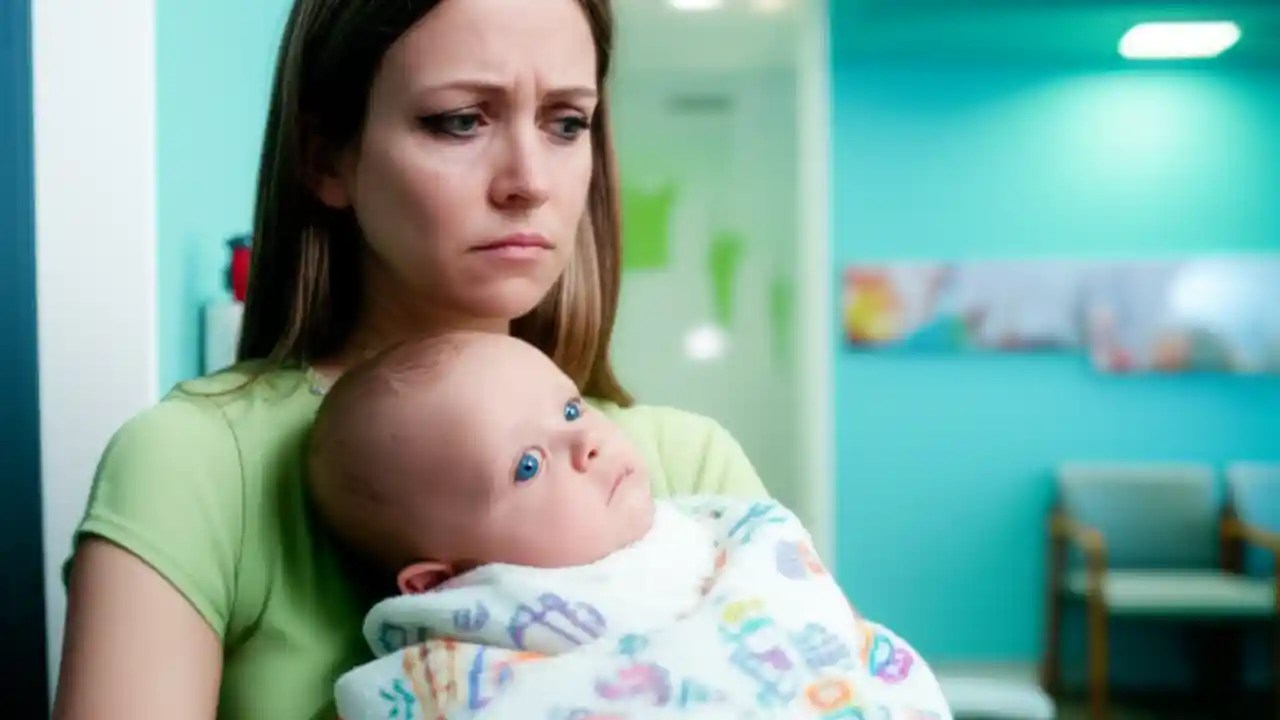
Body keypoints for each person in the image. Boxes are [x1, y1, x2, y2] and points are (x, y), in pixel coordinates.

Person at [51, 1, 768, 719]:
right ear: (326, 155)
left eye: (565, 123)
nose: (529, 181)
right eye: (461, 120)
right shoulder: (196, 465)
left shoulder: (689, 470)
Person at [308, 331, 950, 720]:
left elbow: (831, 640)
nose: (584, 442)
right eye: (527, 465)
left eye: (568, 406)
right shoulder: (449, 673)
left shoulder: (730, 536)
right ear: (442, 581)